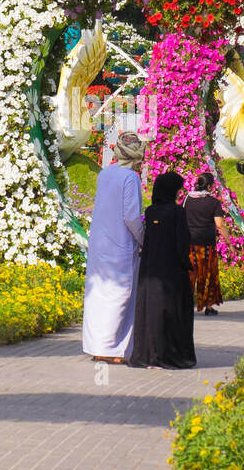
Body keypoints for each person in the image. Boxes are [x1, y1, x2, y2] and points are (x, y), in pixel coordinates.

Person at [82, 132, 145, 363]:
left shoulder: (105, 173)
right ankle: (112, 350)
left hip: (100, 244)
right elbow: (131, 216)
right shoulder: (130, 177)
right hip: (120, 245)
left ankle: (97, 347)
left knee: (99, 294)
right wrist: (143, 239)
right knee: (119, 295)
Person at [129, 171, 197, 369]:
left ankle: (148, 355)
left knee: (150, 310)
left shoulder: (151, 211)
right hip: (171, 271)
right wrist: (186, 264)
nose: (179, 193)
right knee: (172, 310)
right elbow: (182, 243)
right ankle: (167, 355)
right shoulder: (177, 212)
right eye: (178, 190)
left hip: (150, 269)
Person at [183, 171, 231, 316]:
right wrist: (229, 243)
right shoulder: (213, 202)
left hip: (189, 243)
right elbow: (220, 225)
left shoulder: (187, 199)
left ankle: (185, 305)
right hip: (206, 245)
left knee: (190, 274)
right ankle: (208, 306)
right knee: (208, 275)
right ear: (209, 186)